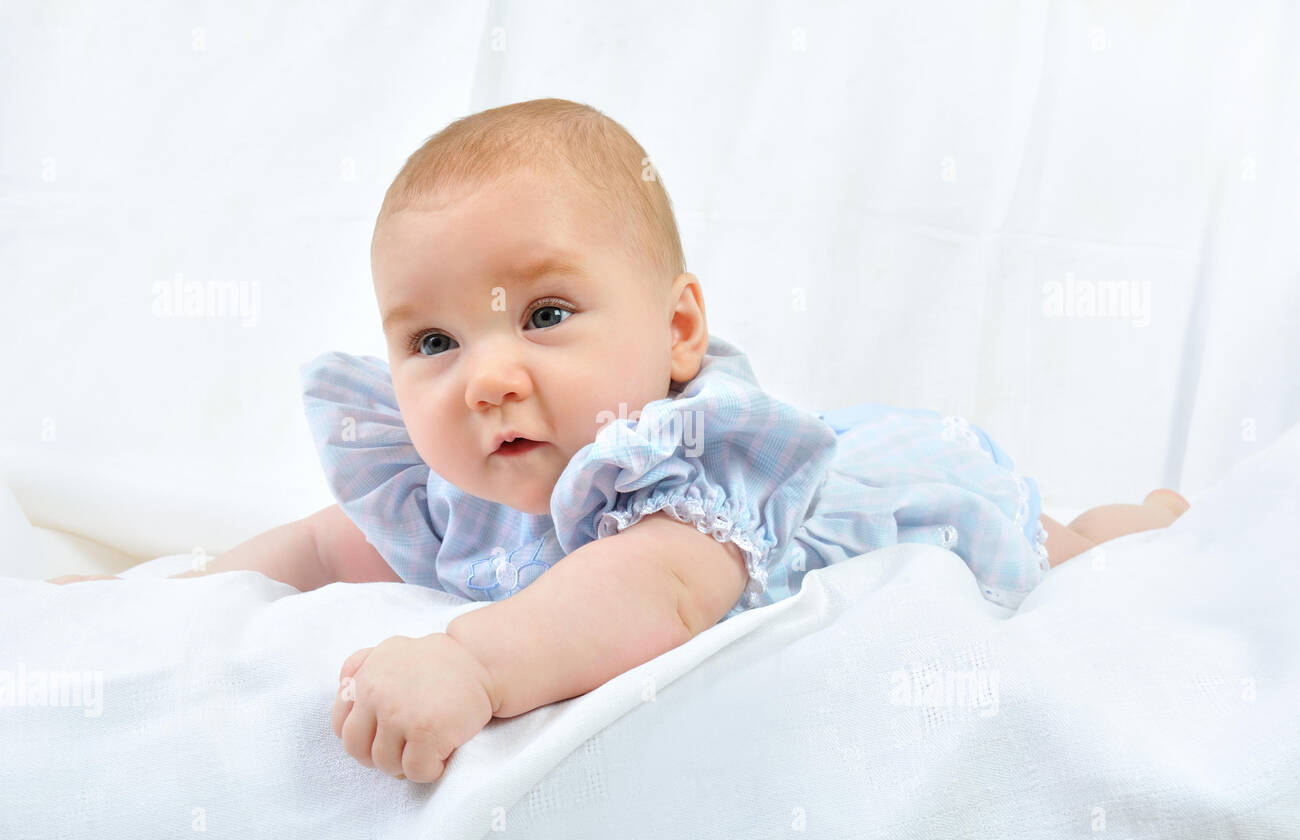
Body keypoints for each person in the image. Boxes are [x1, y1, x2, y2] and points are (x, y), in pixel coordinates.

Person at [49, 98, 1190, 782]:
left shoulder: (681, 486)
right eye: (434, 340)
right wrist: (170, 591)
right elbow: (312, 548)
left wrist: (472, 663)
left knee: (1058, 547)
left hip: (894, 492)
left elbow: (652, 598)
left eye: (544, 316)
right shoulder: (458, 484)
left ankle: (1123, 522)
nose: (487, 376)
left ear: (679, 330)